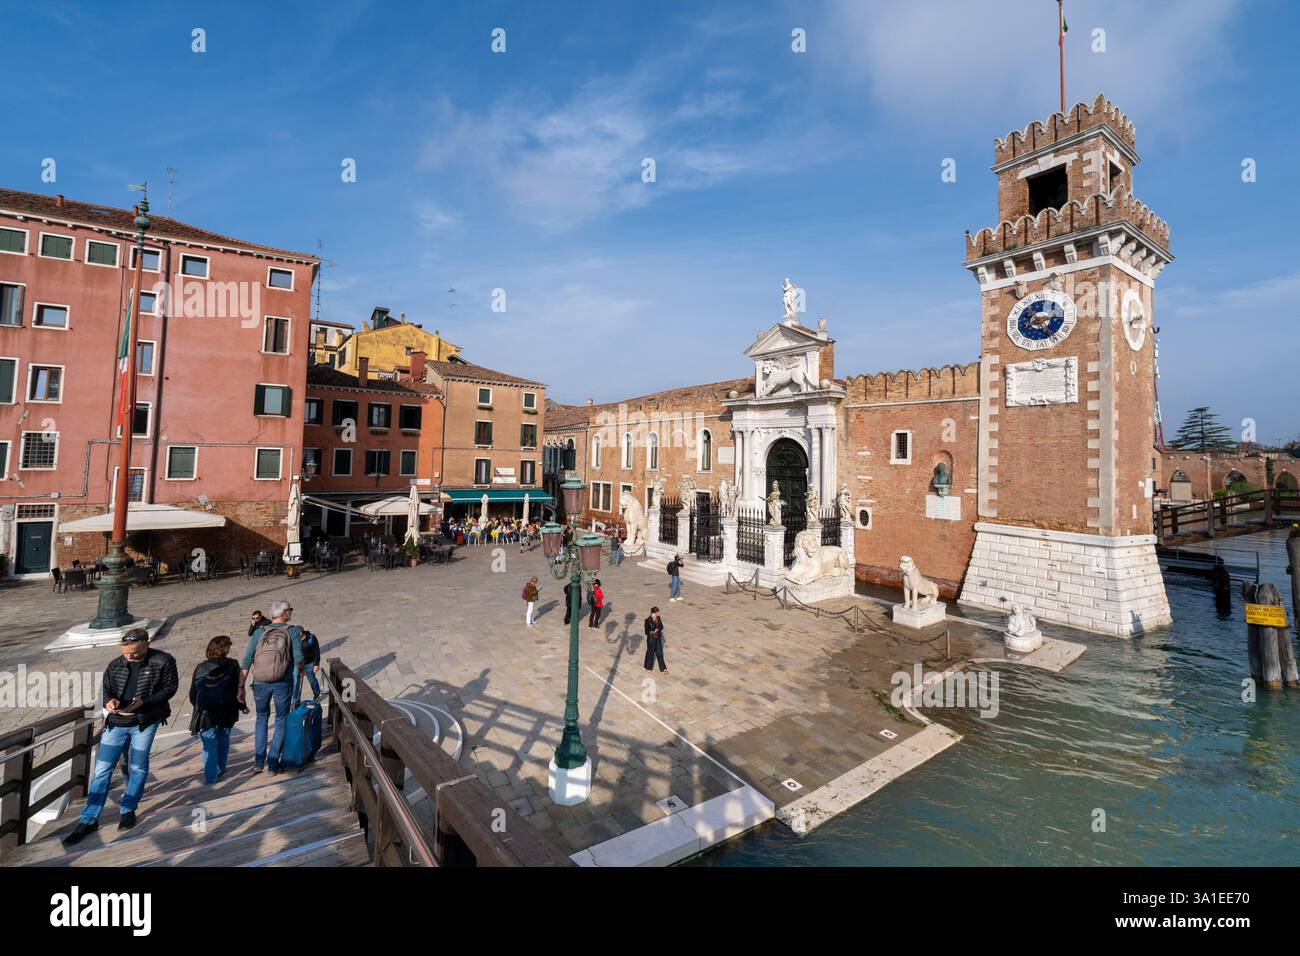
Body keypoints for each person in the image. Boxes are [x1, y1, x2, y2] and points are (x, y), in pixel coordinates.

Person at [63, 629, 178, 846]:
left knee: (138, 767)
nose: (129, 657)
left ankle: (128, 809)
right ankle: (88, 819)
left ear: (146, 644)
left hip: (144, 722)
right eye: (126, 653)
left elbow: (170, 688)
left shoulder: (163, 661)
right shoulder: (115, 664)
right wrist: (110, 701)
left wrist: (145, 702)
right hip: (116, 722)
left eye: (134, 653)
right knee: (102, 771)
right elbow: (107, 689)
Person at [239, 599, 305, 775]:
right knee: (281, 719)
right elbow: (298, 658)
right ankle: (273, 763)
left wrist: (240, 686)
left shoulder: (259, 632)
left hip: (259, 681)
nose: (290, 612)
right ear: (285, 614)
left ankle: (259, 762)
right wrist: (302, 671)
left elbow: (246, 660)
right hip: (282, 681)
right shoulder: (291, 631)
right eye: (289, 610)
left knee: (261, 718)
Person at [188, 636, 245, 784]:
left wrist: (199, 707)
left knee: (209, 743)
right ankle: (221, 767)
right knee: (224, 738)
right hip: (227, 709)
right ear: (225, 649)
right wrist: (242, 706)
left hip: (207, 712)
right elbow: (237, 689)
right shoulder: (233, 665)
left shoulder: (201, 667)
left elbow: (193, 694)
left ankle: (211, 777)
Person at [643, 607, 668, 673]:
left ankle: (663, 668)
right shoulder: (647, 620)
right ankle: (647, 667)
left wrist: (658, 629)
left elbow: (662, 626)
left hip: (658, 638)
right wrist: (652, 631)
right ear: (653, 613)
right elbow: (646, 631)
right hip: (651, 639)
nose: (658, 614)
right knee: (650, 653)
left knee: (659, 653)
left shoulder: (658, 618)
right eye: (657, 613)